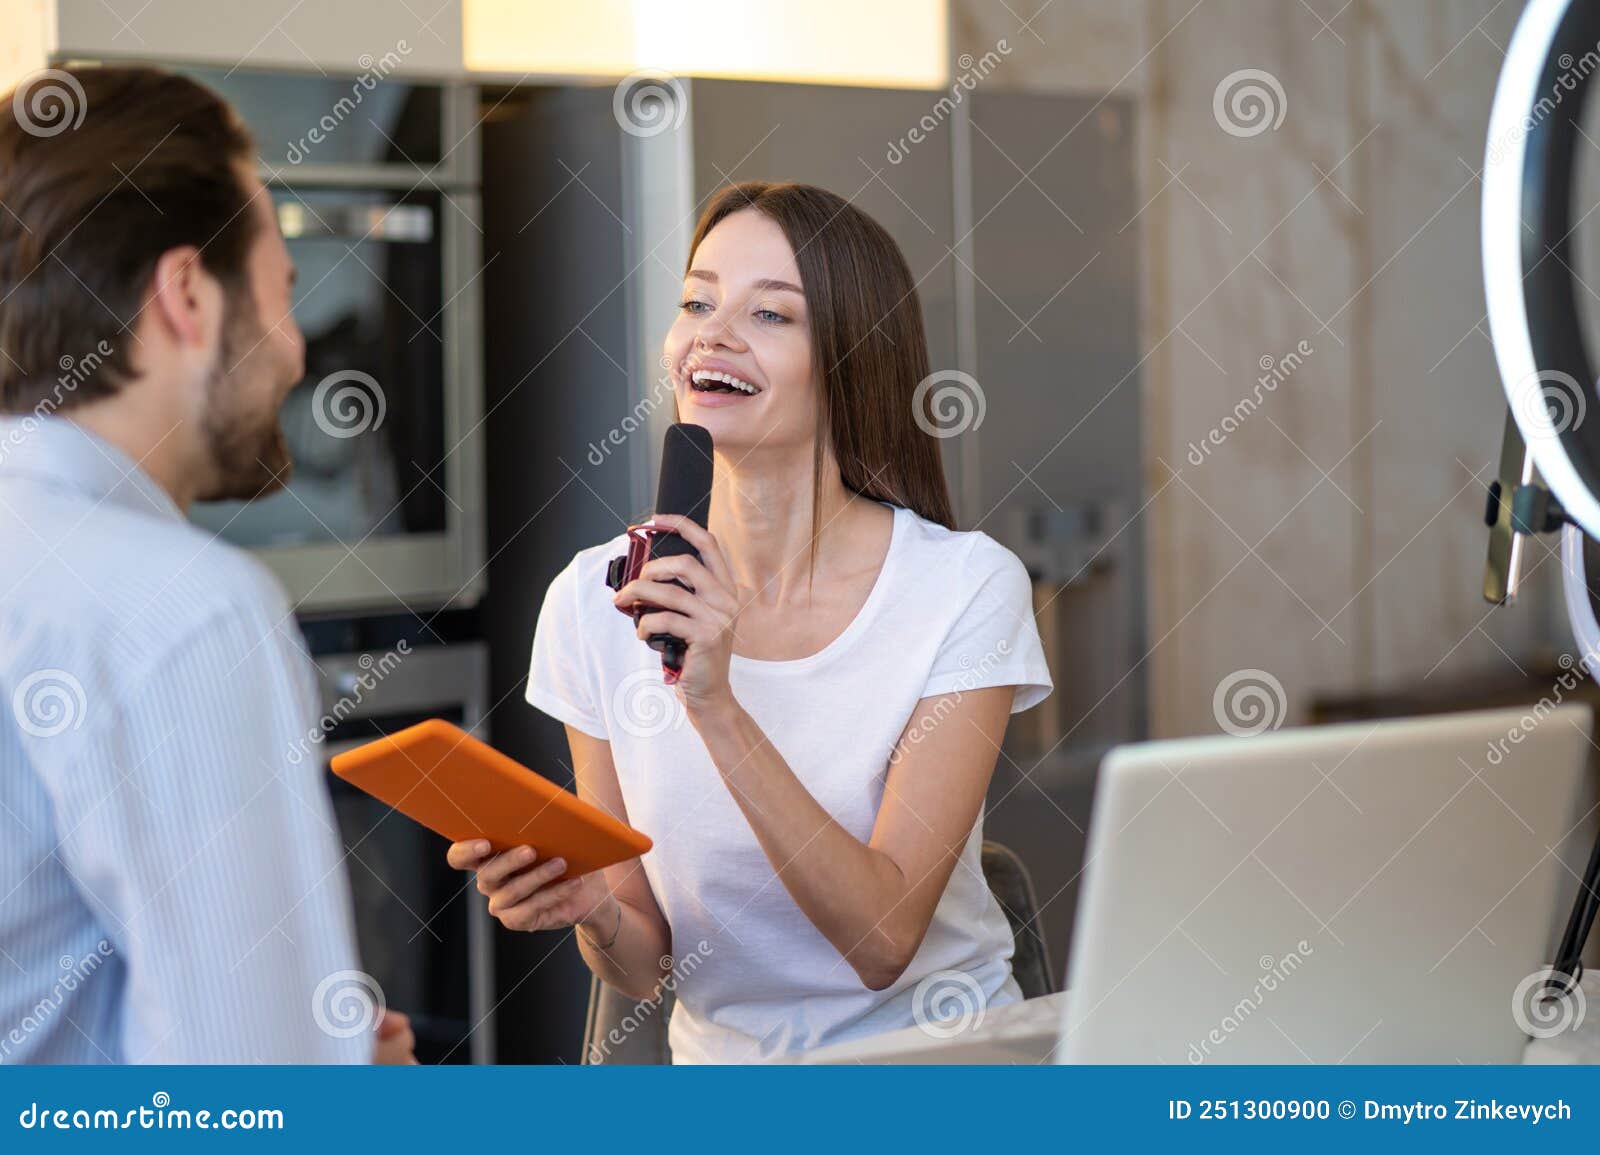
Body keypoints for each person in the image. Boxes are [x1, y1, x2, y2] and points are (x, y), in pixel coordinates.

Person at [450, 182, 1054, 1062]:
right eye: (697, 301)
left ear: (850, 360)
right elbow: (646, 961)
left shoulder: (962, 588)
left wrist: (718, 704)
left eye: (770, 314)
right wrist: (593, 911)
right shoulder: (591, 602)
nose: (713, 333)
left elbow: (883, 942)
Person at [0, 65, 412, 1063]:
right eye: (280, 292)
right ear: (187, 294)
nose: (295, 353)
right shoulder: (186, 611)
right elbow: (257, 1095)